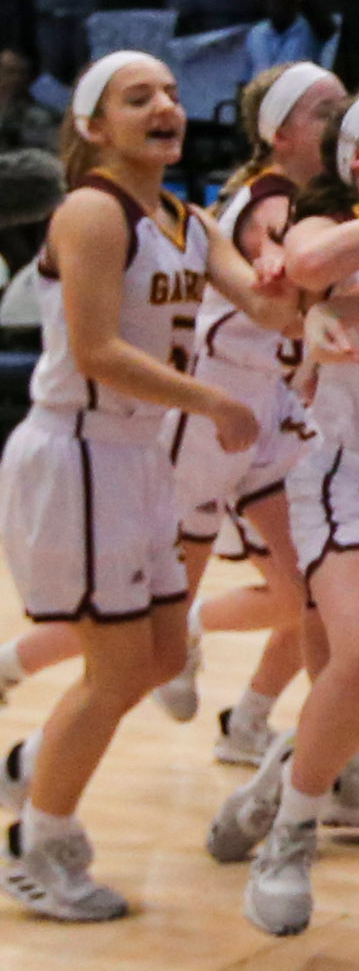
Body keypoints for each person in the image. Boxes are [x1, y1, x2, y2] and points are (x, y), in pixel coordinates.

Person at [0, 50, 297, 919]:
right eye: (140, 98)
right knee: (119, 662)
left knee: (163, 655)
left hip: (136, 458)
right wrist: (212, 400)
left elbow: (268, 307)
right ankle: (39, 842)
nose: (165, 105)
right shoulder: (91, 210)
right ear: (94, 127)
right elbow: (95, 351)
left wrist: (333, 285)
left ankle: (33, 767)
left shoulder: (184, 218)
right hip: (79, 452)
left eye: (169, 93)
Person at [213, 85, 359, 932]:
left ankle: (273, 779)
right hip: (339, 468)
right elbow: (309, 267)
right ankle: (294, 833)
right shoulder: (324, 219)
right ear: (358, 158)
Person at [150, 63, 348, 765]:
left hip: (270, 403)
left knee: (314, 589)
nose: (342, 120)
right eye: (327, 111)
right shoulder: (268, 200)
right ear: (285, 133)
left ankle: (248, 720)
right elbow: (279, 257)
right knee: (161, 600)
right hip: (209, 399)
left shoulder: (314, 199)